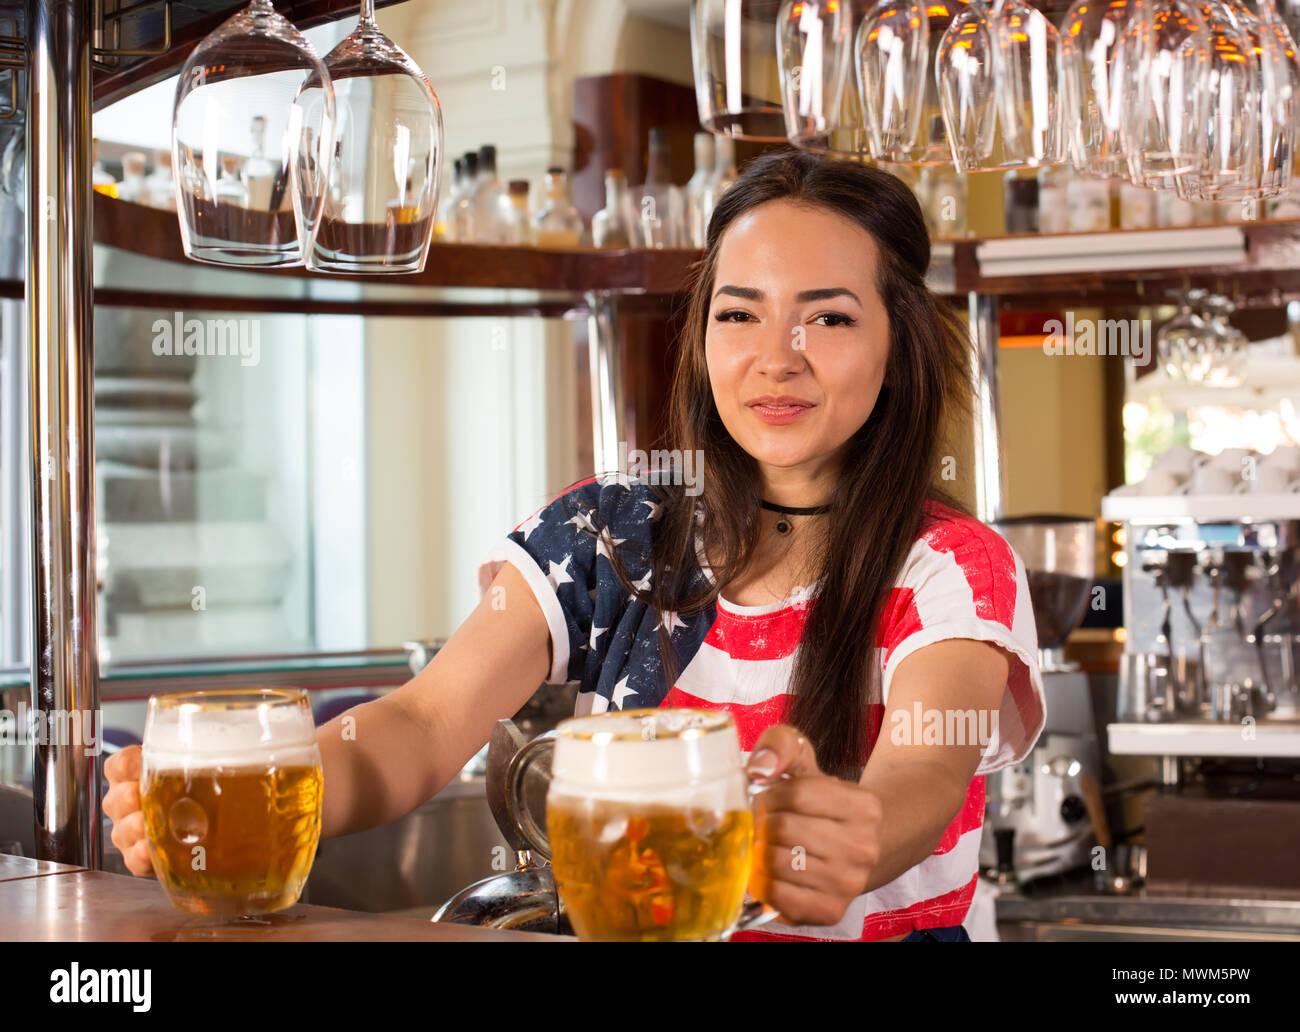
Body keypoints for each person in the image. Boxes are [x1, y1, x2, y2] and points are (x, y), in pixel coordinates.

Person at [105, 149, 1045, 942]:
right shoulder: (610, 531)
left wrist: (852, 829)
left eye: (829, 317)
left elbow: (926, 767)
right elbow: (424, 727)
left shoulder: (949, 565)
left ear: (898, 341)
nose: (776, 355)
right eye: (739, 312)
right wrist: (262, 789)